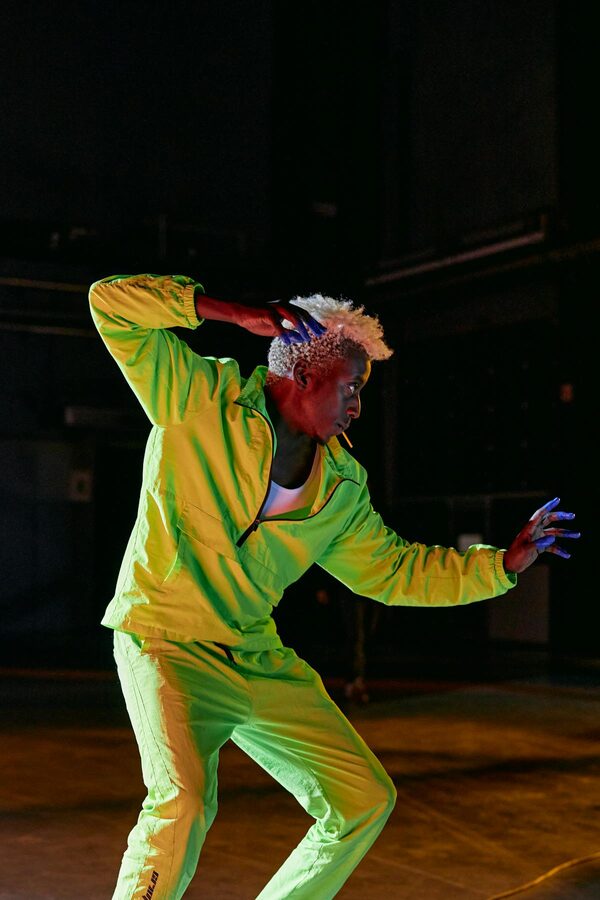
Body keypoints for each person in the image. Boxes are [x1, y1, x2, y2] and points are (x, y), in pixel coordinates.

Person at [89, 273, 579, 900]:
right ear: (304, 376)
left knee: (362, 798)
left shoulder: (341, 486)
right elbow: (110, 305)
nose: (357, 407)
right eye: (351, 387)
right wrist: (231, 312)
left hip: (252, 655)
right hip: (164, 641)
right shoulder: (200, 399)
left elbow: (394, 570)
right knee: (182, 802)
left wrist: (501, 565)